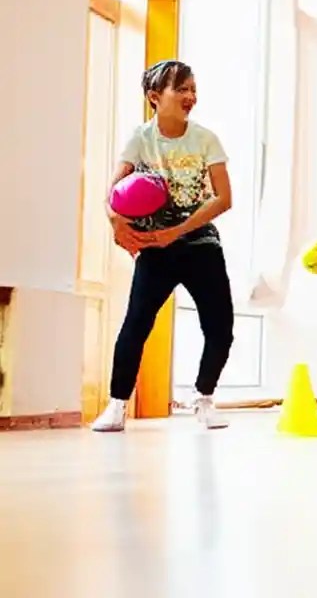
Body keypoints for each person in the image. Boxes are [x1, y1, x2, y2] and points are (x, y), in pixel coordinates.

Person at [92, 60, 234, 432]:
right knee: (136, 324)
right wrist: (116, 223)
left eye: (193, 89)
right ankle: (116, 405)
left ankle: (203, 397)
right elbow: (111, 194)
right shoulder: (140, 138)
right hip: (156, 249)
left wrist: (178, 230)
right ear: (155, 97)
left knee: (220, 327)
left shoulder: (205, 139)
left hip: (200, 244)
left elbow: (224, 199)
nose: (190, 96)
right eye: (181, 89)